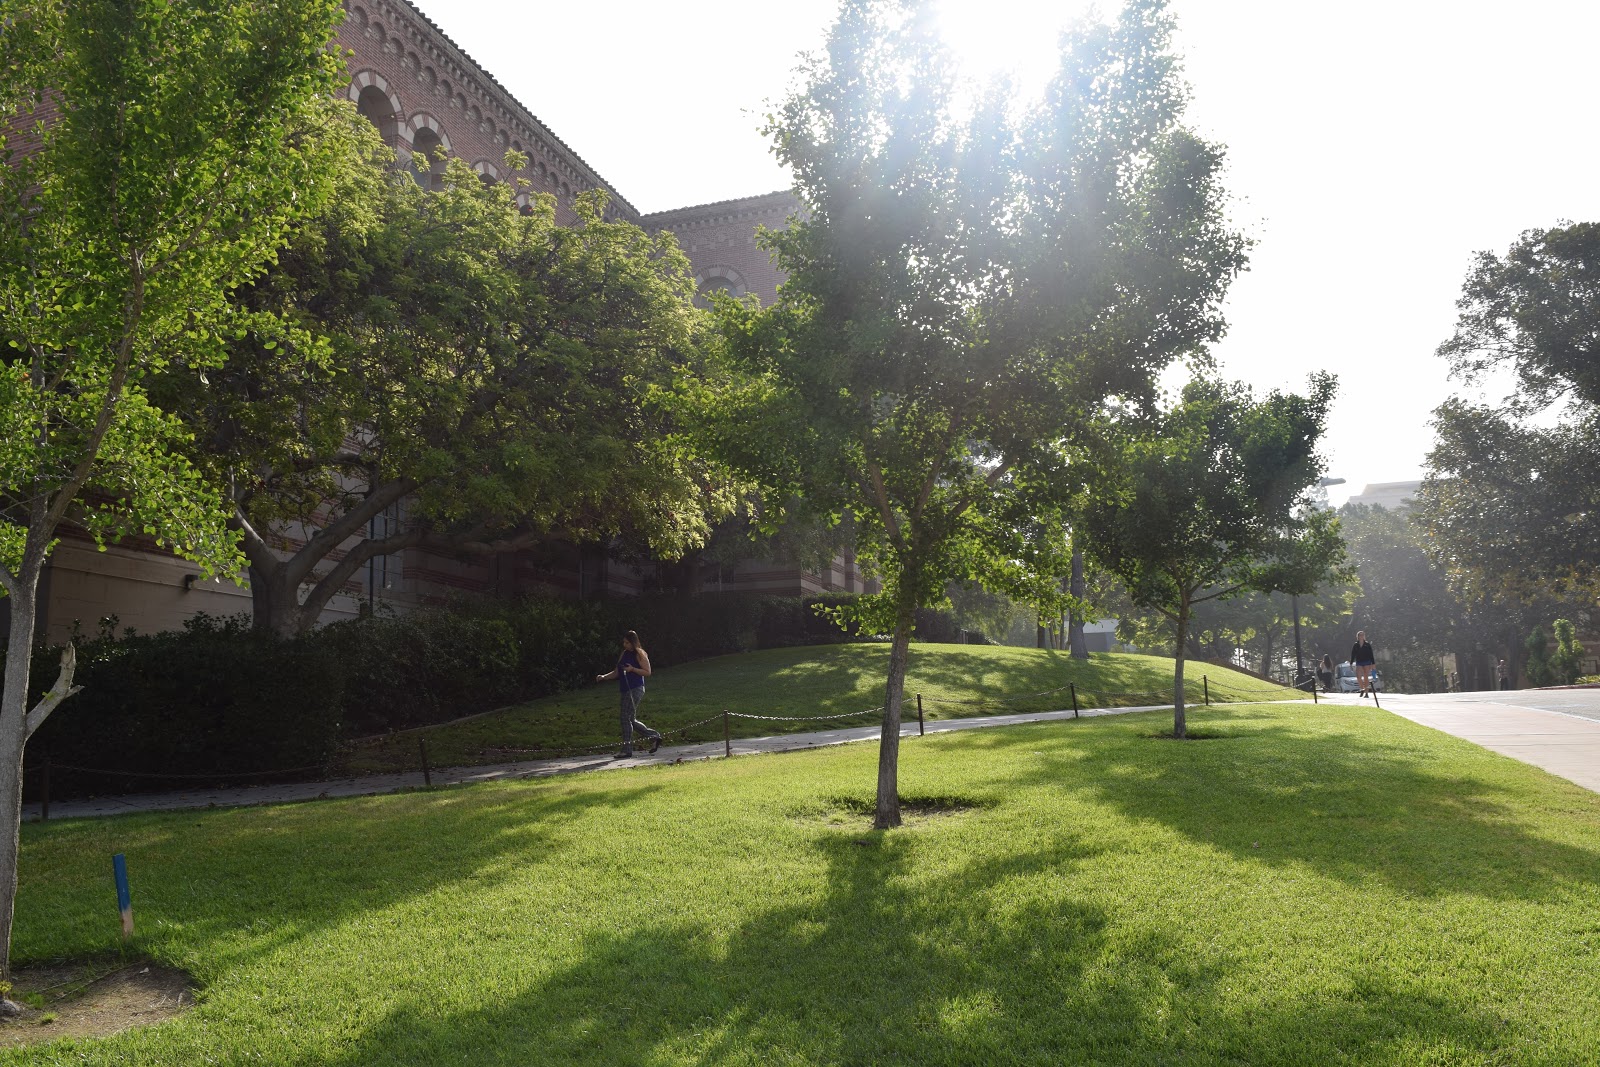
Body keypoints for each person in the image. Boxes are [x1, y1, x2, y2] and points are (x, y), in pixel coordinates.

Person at [596, 630, 661, 758]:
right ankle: (654, 737)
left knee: (625, 717)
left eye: (627, 642)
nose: (625, 645)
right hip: (625, 689)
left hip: (635, 689)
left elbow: (647, 672)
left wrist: (633, 669)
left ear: (633, 642)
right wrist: (604, 677)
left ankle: (627, 750)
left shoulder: (640, 654)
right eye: (624, 642)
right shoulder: (624, 653)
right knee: (630, 719)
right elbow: (616, 672)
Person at [1350, 631, 1377, 697]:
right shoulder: (1356, 644)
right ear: (1358, 636)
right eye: (1360, 635)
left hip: (1367, 661)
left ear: (1364, 636)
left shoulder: (1367, 644)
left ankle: (1366, 692)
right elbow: (1353, 654)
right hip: (1359, 661)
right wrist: (1351, 662)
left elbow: (1371, 654)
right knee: (1358, 676)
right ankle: (1362, 688)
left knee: (1365, 677)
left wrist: (1373, 663)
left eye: (1362, 635)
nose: (1361, 636)